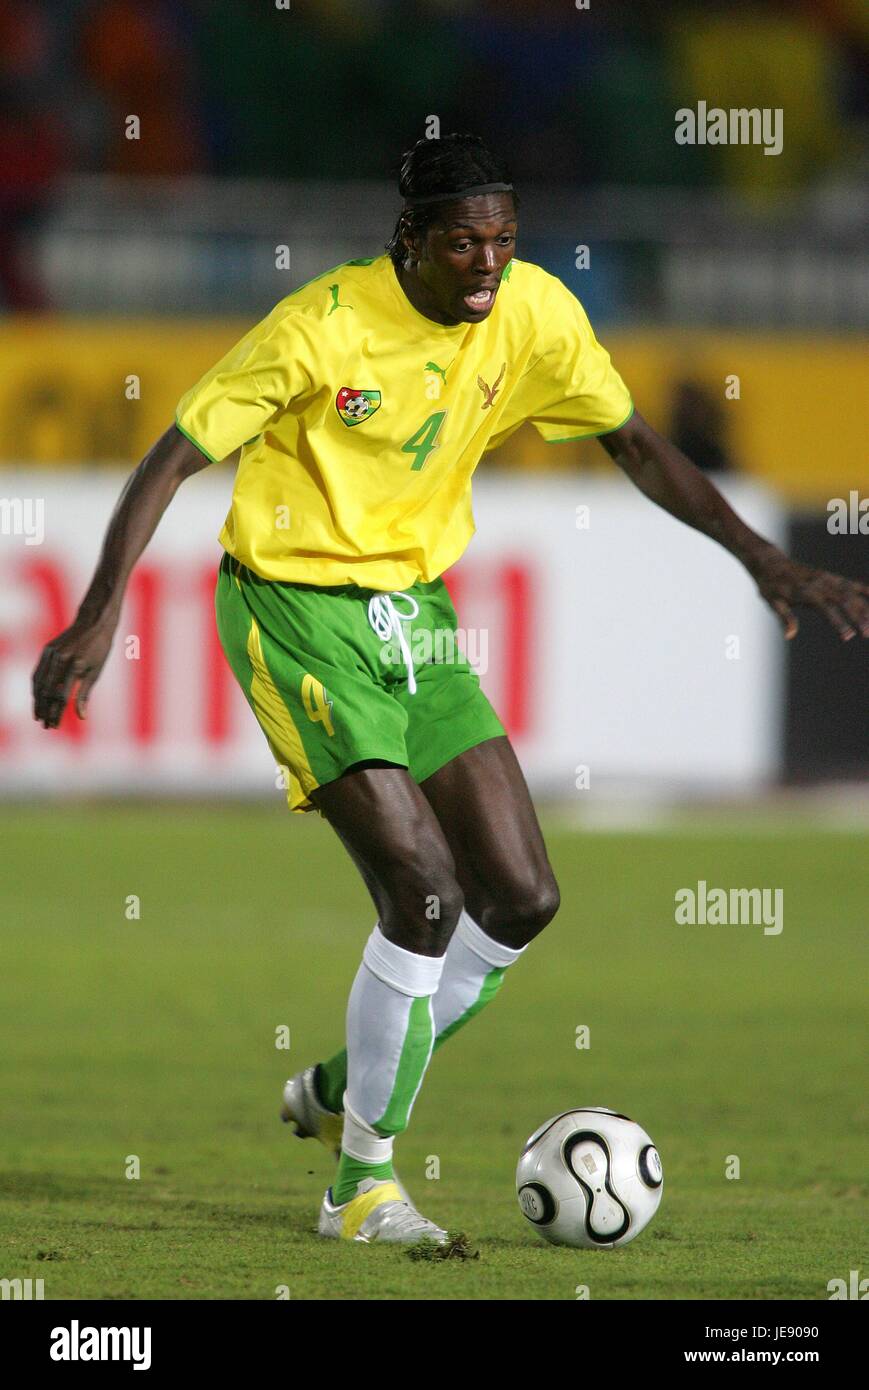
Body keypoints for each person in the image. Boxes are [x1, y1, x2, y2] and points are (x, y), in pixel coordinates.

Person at [32, 133, 869, 1246]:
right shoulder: (320, 326)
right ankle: (360, 1189)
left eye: (502, 239)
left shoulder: (531, 313)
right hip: (293, 611)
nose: (486, 262)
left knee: (519, 895)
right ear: (408, 241)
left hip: (412, 613)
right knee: (422, 888)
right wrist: (102, 607)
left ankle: (337, 1092)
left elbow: (635, 444)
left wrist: (757, 555)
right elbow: (173, 458)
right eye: (463, 242)